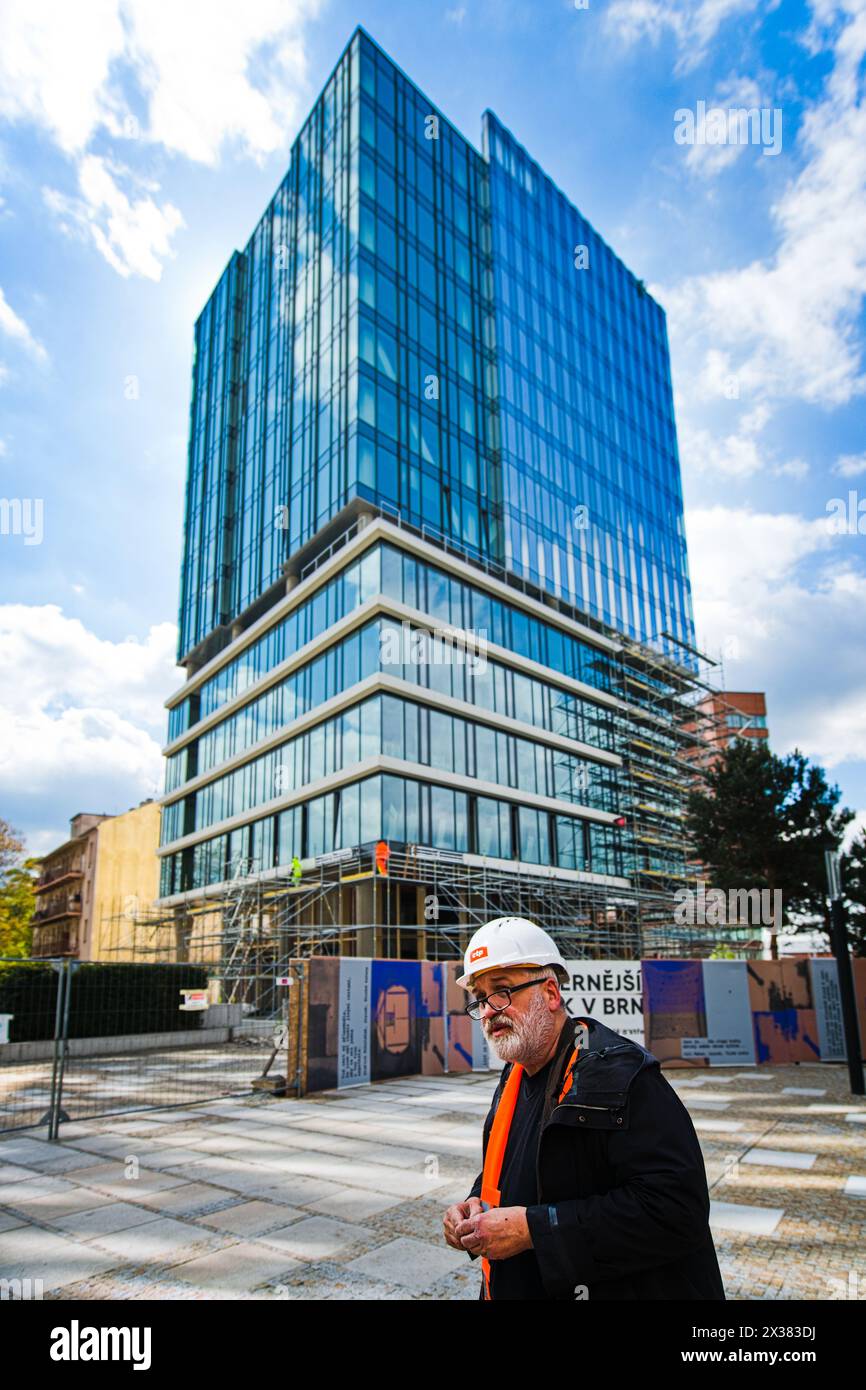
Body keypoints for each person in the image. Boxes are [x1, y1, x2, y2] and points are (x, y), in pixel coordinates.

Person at [442, 917, 726, 1300]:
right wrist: (476, 1203)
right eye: (480, 998)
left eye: (503, 991)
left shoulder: (620, 1076)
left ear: (551, 993)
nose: (489, 1010)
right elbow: (516, 1164)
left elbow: (675, 1210)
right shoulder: (514, 1075)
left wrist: (533, 1230)